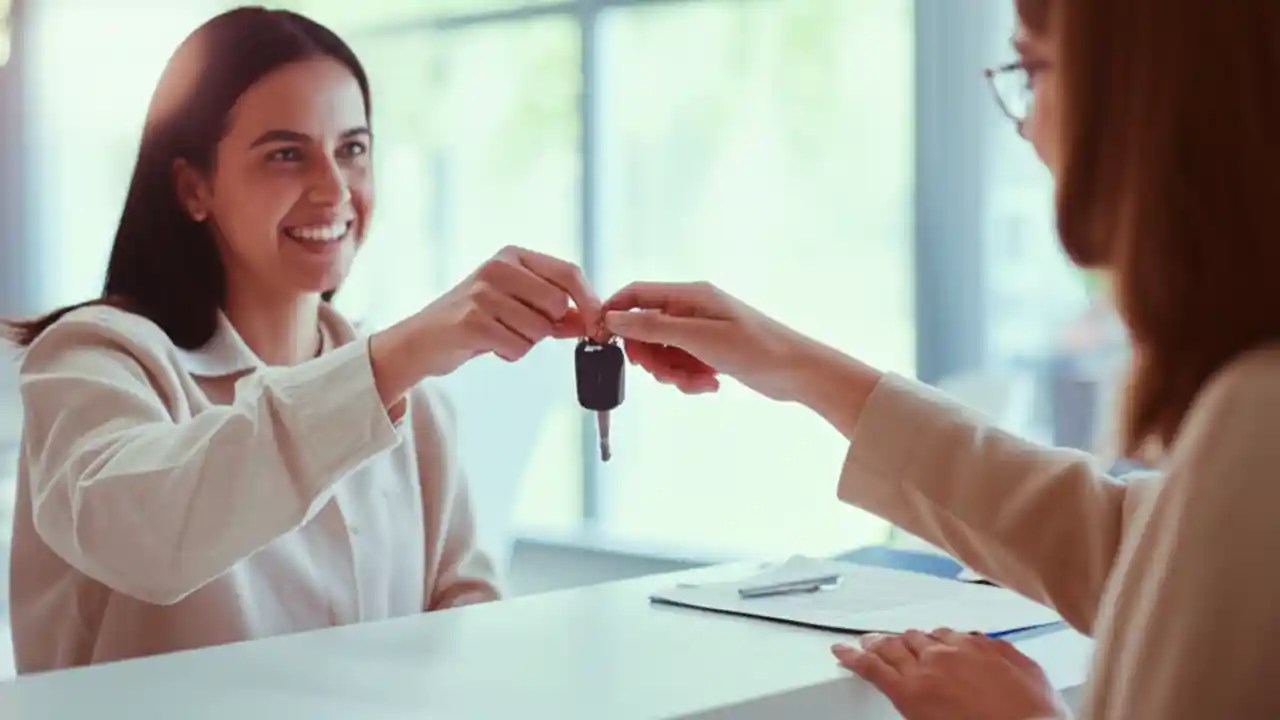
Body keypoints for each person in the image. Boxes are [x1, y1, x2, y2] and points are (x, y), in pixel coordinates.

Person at [601, 0, 1280, 717]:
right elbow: (1137, 549)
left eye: (1036, 69)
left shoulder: (1259, 408)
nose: (1027, 125)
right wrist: (798, 366)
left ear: (1154, 98)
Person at [4, 7, 601, 673]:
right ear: (193, 186)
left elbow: (464, 604)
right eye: (286, 154)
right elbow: (147, 538)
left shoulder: (415, 400)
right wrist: (397, 357)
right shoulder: (93, 361)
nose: (334, 189)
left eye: (352, 149)